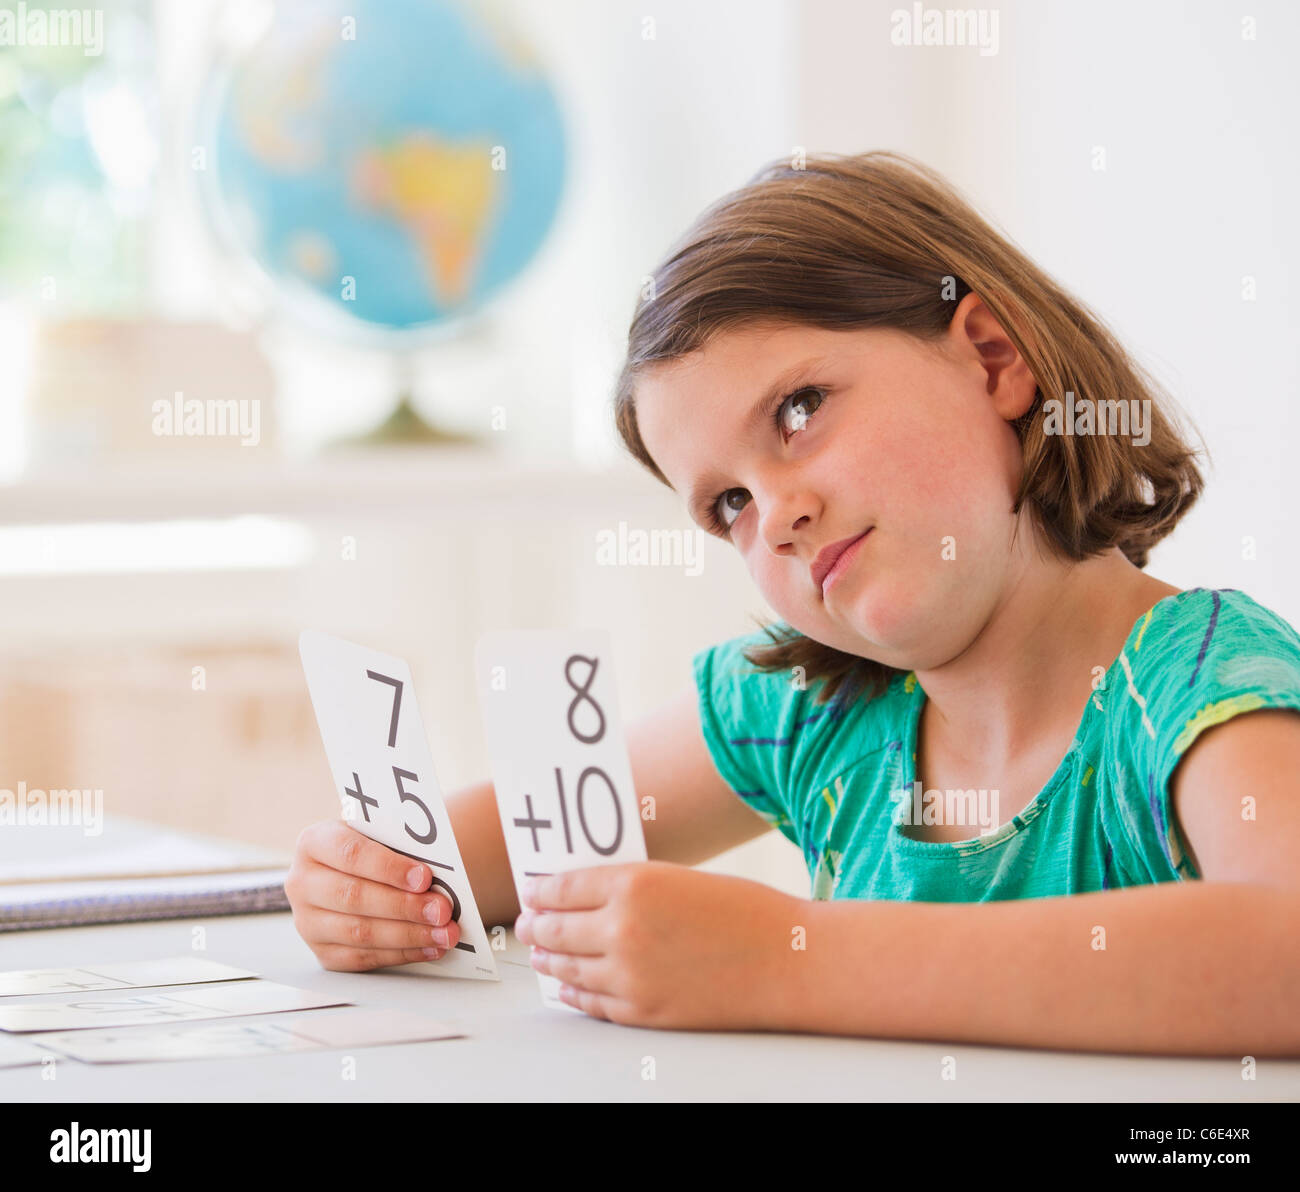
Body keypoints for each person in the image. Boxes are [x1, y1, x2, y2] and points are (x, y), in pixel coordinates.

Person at [287, 151, 1300, 1055]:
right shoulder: (810, 705)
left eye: (799, 411)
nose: (774, 514)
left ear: (993, 358)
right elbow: (480, 861)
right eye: (726, 502)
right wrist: (370, 885)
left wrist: (788, 958)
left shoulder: (1197, 683)